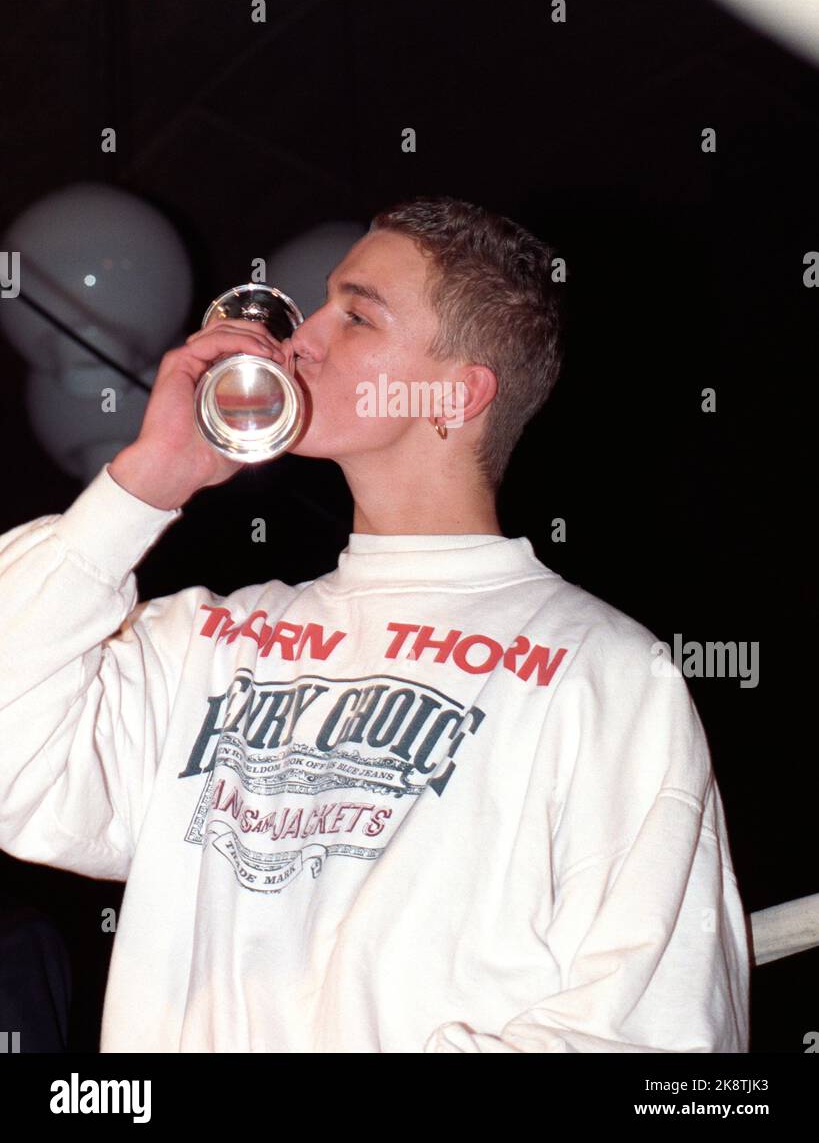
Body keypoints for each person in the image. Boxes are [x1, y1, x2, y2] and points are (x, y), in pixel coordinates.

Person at [0, 195, 750, 1052]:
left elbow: (664, 1035)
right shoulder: (207, 644)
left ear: (454, 394)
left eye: (355, 315)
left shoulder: (599, 669)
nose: (301, 339)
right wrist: (147, 480)